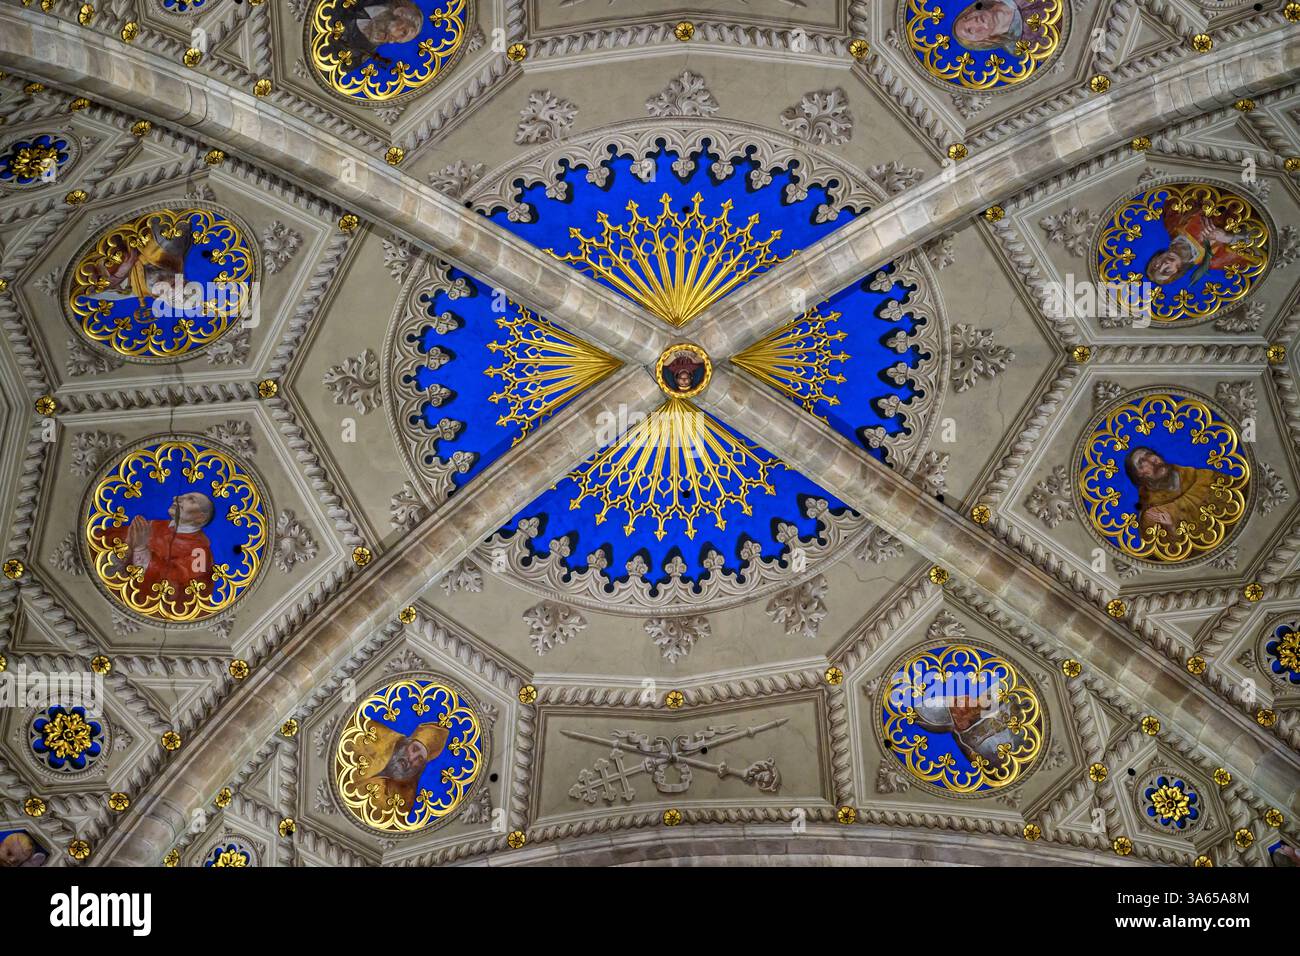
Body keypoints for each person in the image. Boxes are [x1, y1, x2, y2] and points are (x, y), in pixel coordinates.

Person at [103, 492, 217, 605]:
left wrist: (141, 549)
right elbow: (110, 537)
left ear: (200, 518)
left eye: (191, 499)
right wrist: (127, 545)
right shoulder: (156, 525)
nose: (176, 497)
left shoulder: (200, 552)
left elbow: (171, 584)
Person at [1144, 195, 1264, 287]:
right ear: (1178, 271)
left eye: (1156, 265)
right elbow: (1259, 244)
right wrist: (1228, 238)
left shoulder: (1172, 223)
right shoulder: (1215, 260)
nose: (1164, 264)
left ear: (1156, 257)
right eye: (1166, 271)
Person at [1125, 447, 1229, 543]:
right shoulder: (1153, 514)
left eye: (1149, 455)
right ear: (1139, 476)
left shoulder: (1203, 477)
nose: (1152, 462)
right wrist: (1171, 529)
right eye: (1141, 463)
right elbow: (1163, 554)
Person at [91, 218, 193, 310]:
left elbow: (84, 288)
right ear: (184, 279)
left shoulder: (125, 292)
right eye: (182, 286)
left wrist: (118, 276)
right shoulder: (175, 243)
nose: (175, 289)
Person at [350, 721, 450, 815]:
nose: (411, 759)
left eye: (419, 759)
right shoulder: (374, 734)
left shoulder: (405, 799)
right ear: (406, 743)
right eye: (414, 749)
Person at [324, 0, 425, 69]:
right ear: (400, 12)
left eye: (397, 41)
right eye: (403, 32)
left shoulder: (358, 56)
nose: (391, 41)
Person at [951, 0, 1054, 52]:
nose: (972, 20)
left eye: (966, 18)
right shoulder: (1026, 45)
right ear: (983, 41)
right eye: (970, 30)